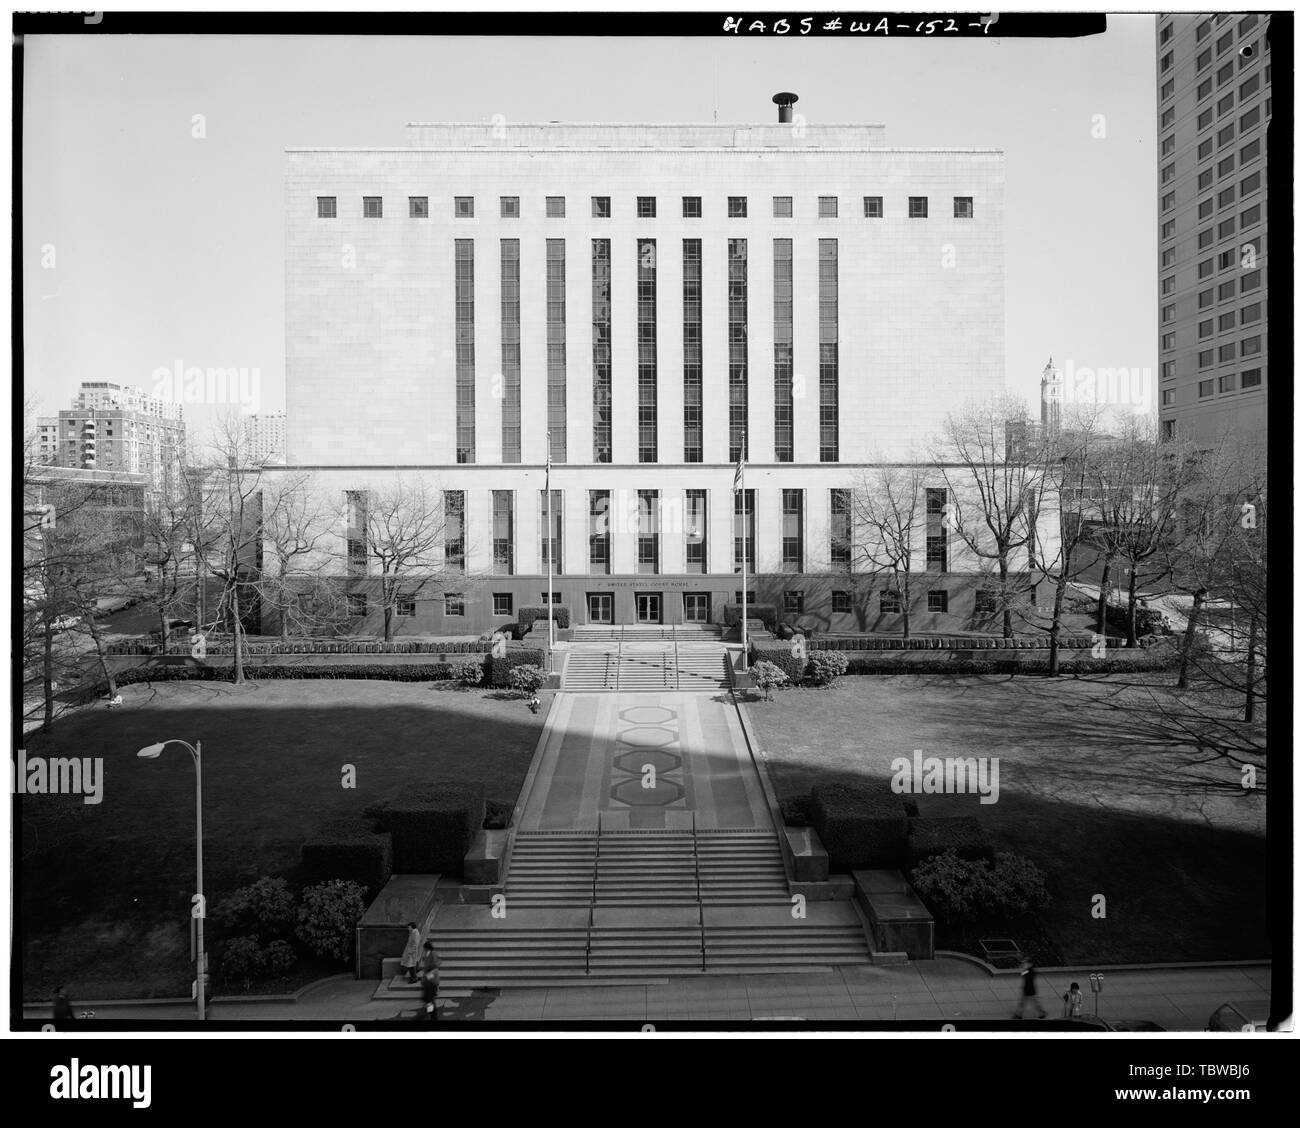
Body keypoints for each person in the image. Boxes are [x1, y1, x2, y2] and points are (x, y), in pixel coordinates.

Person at [418, 940, 441, 1022]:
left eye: (424, 948)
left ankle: (433, 1016)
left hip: (431, 982)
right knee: (428, 999)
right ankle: (430, 1014)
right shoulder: (428, 954)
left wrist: (426, 977)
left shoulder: (433, 954)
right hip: (428, 981)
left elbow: (435, 966)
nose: (423, 950)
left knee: (429, 999)